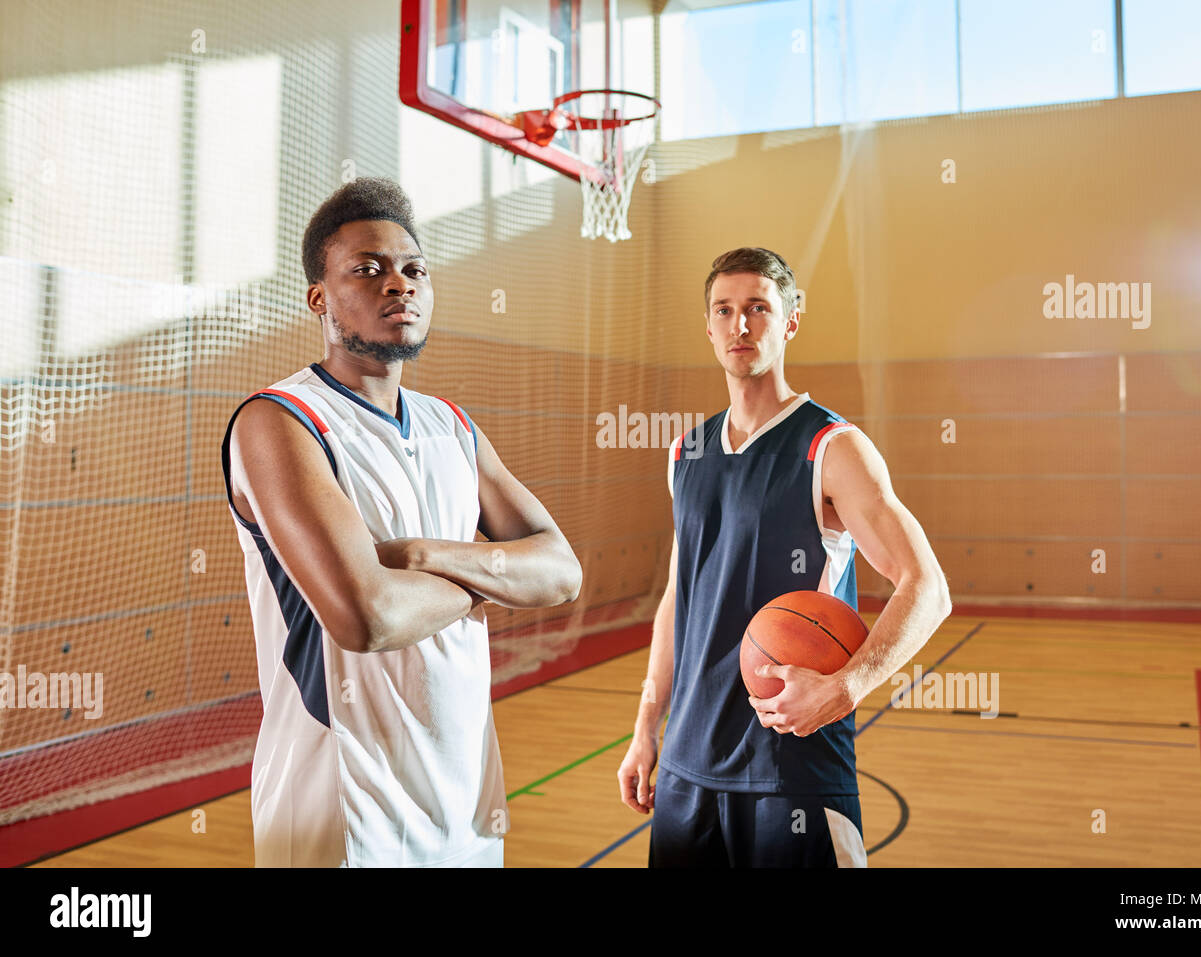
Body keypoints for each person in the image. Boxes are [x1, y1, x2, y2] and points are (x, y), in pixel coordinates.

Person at [220, 177, 582, 867]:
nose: (399, 284)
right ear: (319, 298)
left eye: (413, 269)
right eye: (368, 269)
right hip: (343, 811)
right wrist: (494, 580)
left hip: (466, 805)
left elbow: (563, 571)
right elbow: (368, 617)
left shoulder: (454, 427)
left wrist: (420, 555)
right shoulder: (279, 421)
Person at [616, 247, 950, 867]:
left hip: (789, 762)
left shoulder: (831, 446)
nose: (740, 326)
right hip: (689, 764)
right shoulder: (684, 452)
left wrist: (849, 686)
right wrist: (647, 726)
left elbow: (927, 586)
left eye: (758, 309)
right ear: (709, 326)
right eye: (725, 310)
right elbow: (678, 597)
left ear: (790, 321)